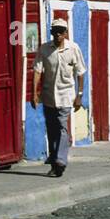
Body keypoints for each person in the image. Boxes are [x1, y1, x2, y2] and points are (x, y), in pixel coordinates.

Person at [31, 18, 86, 177]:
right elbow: (37, 71)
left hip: (66, 95)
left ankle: (60, 162)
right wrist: (34, 93)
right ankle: (54, 156)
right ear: (51, 33)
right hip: (48, 96)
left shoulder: (73, 48)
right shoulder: (45, 49)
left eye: (61, 32)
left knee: (62, 127)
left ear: (65, 33)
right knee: (52, 128)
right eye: (55, 32)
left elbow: (81, 72)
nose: (58, 35)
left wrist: (79, 95)